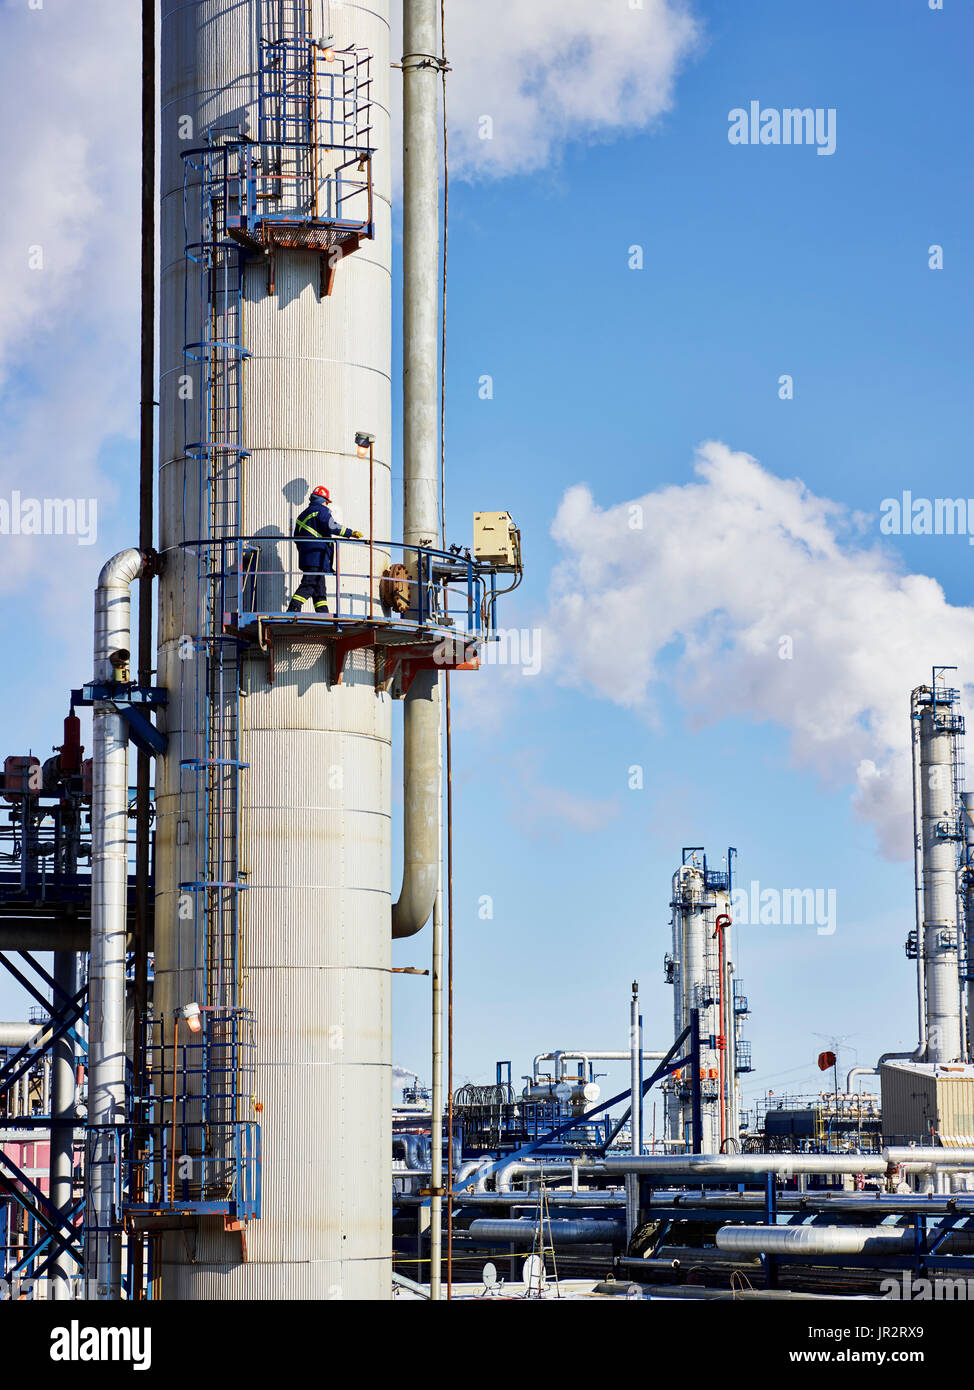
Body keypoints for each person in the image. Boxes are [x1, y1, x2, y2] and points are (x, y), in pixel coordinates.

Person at [287, 486, 362, 614]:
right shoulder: (321, 511)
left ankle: (322, 612)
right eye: (327, 502)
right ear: (324, 500)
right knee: (310, 584)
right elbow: (331, 526)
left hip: (307, 557)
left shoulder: (302, 515)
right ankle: (294, 607)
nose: (328, 505)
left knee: (319, 589)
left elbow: (296, 537)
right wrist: (351, 533)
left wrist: (306, 550)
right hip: (317, 557)